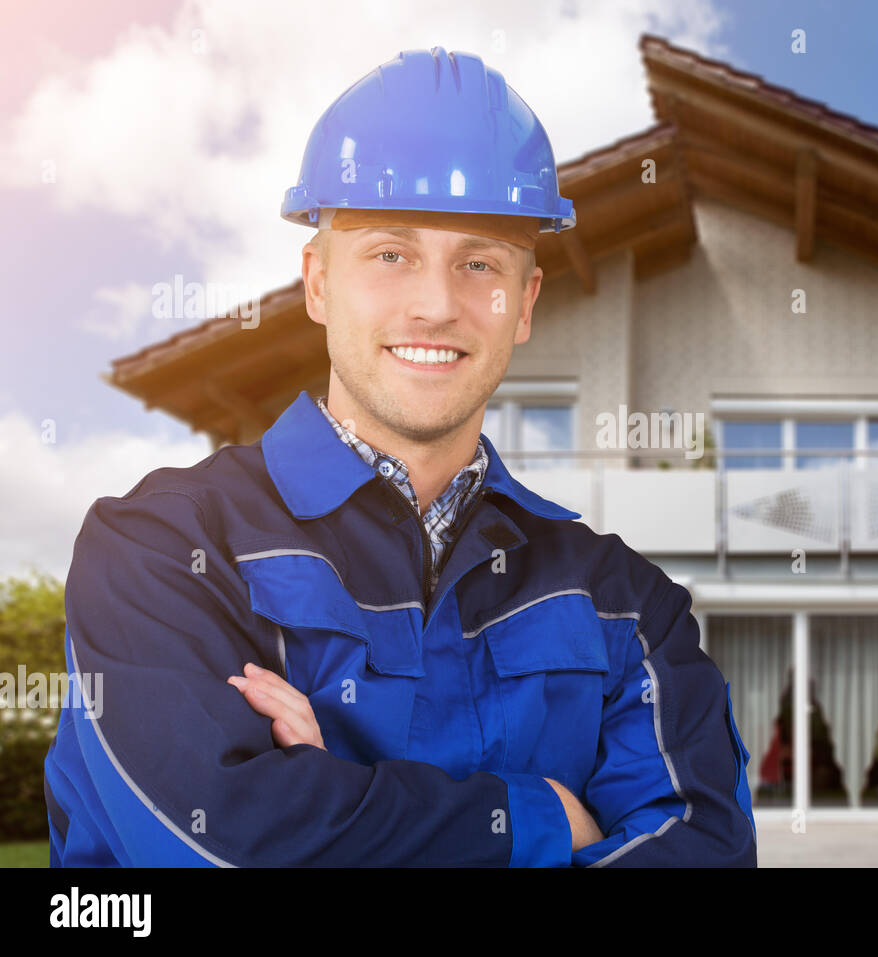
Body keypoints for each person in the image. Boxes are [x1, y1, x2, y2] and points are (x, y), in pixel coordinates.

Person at [43, 47, 757, 867]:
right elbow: (218, 843)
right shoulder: (161, 548)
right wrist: (546, 818)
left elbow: (705, 851)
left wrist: (331, 804)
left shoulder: (629, 607)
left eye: (479, 262)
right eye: (390, 253)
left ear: (523, 304)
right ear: (317, 283)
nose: (435, 303)